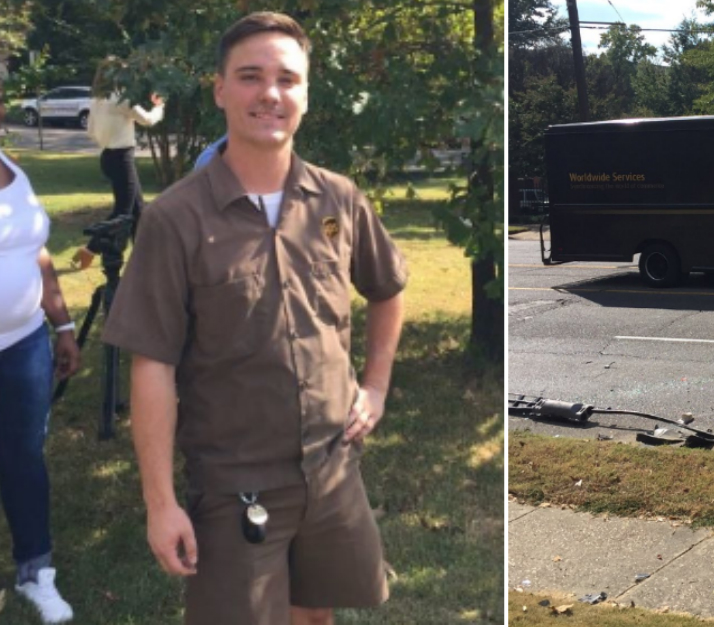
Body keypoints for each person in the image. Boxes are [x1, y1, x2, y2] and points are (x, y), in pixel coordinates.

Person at [101, 12, 408, 623]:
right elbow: (152, 364)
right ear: (220, 89)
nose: (270, 93)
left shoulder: (338, 198)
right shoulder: (175, 219)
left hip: (332, 466)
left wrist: (374, 387)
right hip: (234, 484)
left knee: (316, 614)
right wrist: (159, 503)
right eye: (250, 77)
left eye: (287, 79)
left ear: (305, 94)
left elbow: (388, 287)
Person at [0, 97, 81, 624]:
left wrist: (64, 325)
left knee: (24, 458)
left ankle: (35, 571)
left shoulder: (12, 169)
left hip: (26, 344)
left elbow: (37, 251)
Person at [86, 58, 165, 222]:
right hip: (122, 158)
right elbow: (148, 119)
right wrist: (159, 106)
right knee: (123, 213)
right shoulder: (121, 100)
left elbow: (91, 132)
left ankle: (141, 248)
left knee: (138, 210)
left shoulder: (96, 100)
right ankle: (93, 247)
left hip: (107, 157)